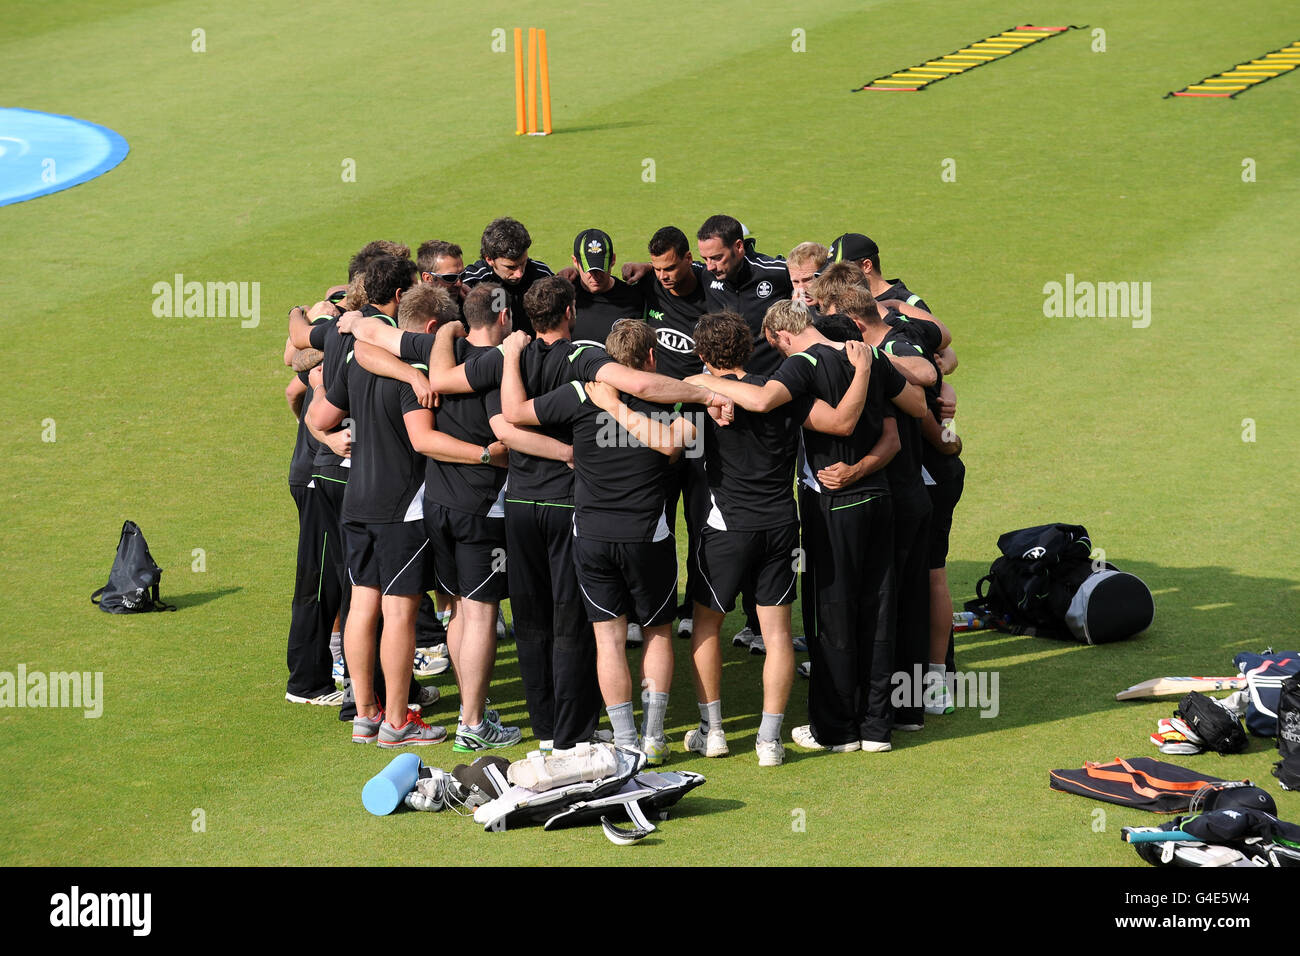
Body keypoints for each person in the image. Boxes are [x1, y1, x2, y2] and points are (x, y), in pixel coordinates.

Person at [689, 300, 926, 753]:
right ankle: (876, 728)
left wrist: (702, 384)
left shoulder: (799, 366)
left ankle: (835, 730)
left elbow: (800, 411)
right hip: (879, 498)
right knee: (879, 611)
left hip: (829, 505)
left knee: (831, 616)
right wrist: (868, 372)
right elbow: (915, 403)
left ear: (779, 337)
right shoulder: (869, 355)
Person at [502, 320, 698, 765]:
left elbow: (513, 414)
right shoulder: (670, 397)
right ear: (651, 358)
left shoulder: (578, 393)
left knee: (607, 640)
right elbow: (674, 445)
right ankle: (652, 738)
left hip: (590, 537)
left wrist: (510, 356)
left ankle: (626, 741)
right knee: (657, 632)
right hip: (648, 536)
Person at [695, 214, 793, 375]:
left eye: (716, 258)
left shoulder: (777, 272)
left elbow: (817, 278)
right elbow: (675, 267)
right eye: (705, 259)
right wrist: (646, 267)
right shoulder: (706, 275)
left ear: (739, 247)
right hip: (728, 383)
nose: (710, 266)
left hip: (772, 381)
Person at [461, 217, 553, 335]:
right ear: (489, 259)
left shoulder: (542, 275)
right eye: (511, 267)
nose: (519, 274)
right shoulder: (472, 282)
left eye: (523, 263)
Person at [570, 228, 646, 348]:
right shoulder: (564, 295)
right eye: (590, 270)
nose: (595, 277)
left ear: (613, 260)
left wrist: (649, 267)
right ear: (575, 261)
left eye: (601, 269)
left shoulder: (632, 298)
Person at [416, 239, 466, 306]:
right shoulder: (415, 313)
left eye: (462, 275)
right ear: (427, 278)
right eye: (451, 277)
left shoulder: (466, 301)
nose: (459, 284)